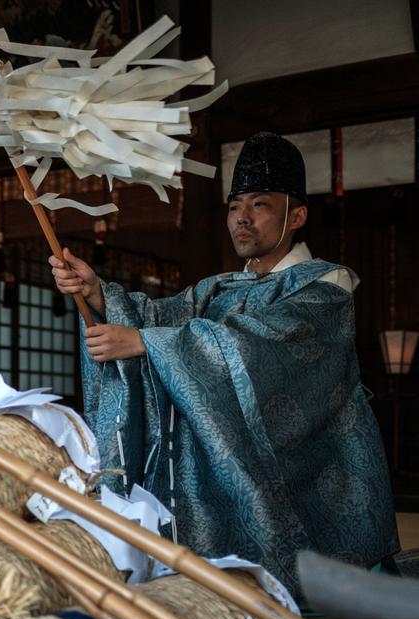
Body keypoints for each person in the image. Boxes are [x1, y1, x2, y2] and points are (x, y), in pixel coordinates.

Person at [49, 132, 399, 593]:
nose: (242, 219)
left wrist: (147, 343)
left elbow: (266, 344)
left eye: (260, 205)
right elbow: (158, 318)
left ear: (297, 216)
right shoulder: (219, 288)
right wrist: (98, 294)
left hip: (311, 464)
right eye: (235, 207)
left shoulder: (324, 286)